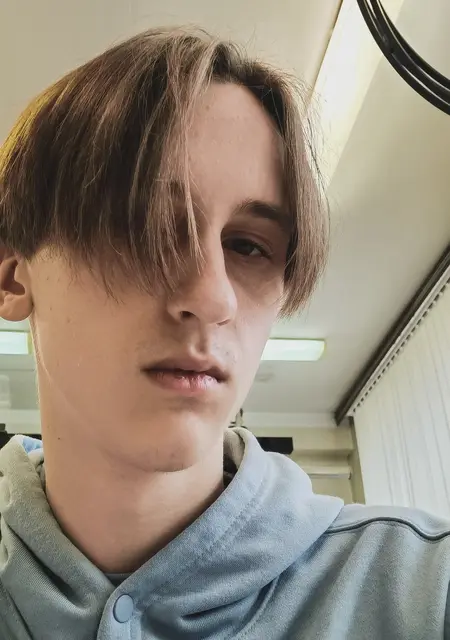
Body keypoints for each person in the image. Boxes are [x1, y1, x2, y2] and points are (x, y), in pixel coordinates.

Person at [0, 26, 448, 640]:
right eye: (143, 227)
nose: (214, 298)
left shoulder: (425, 589)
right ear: (12, 275)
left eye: (248, 246)